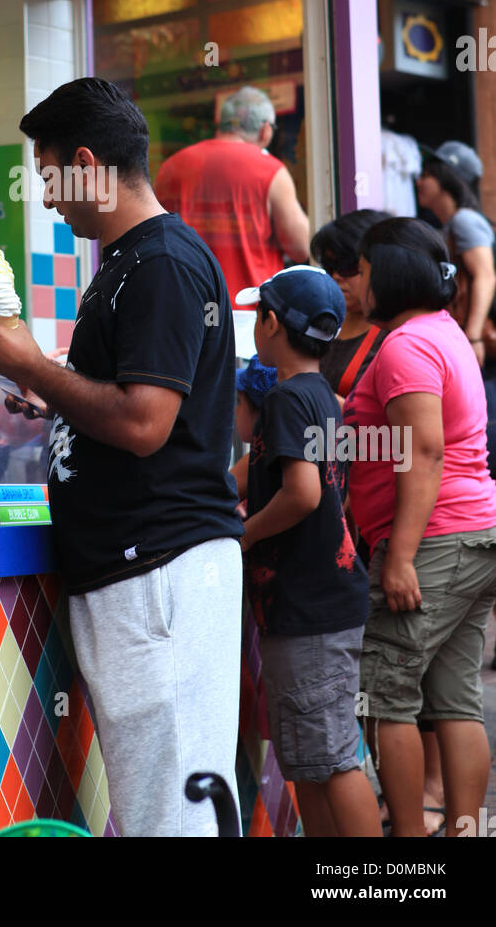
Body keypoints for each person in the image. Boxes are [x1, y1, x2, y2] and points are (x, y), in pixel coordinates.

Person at [0, 77, 244, 837]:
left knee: (172, 815)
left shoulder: (159, 262)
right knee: (155, 805)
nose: (50, 201)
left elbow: (145, 423)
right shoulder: (127, 262)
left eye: (50, 176)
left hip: (159, 567)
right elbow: (125, 404)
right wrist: (50, 395)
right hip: (136, 569)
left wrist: (32, 365)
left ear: (86, 161)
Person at [343, 218, 496, 838]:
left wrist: (400, 555)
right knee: (454, 702)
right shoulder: (444, 332)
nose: (358, 284)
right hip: (472, 534)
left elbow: (423, 452)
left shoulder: (407, 345)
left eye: (364, 271)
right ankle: (461, 835)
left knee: (384, 699)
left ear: (391, 276)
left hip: (434, 543)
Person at [232, 266, 381, 838]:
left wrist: (246, 534)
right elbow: (263, 475)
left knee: (335, 761)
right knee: (313, 763)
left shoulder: (286, 399)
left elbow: (303, 493)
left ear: (271, 324)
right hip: (318, 604)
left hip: (310, 608)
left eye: (257, 314)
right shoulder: (319, 394)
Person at [154, 85, 310, 305]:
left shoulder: (171, 167)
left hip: (185, 308)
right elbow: (302, 247)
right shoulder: (271, 171)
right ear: (265, 130)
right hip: (250, 312)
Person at [415, 142, 496, 368]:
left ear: (448, 178)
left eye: (427, 175)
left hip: (480, 341)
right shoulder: (450, 224)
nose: (418, 182)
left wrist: (473, 337)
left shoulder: (464, 221)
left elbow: (485, 276)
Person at [311, 210, 391, 405]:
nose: (337, 275)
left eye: (348, 265)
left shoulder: (394, 335)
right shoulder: (321, 319)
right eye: (330, 266)